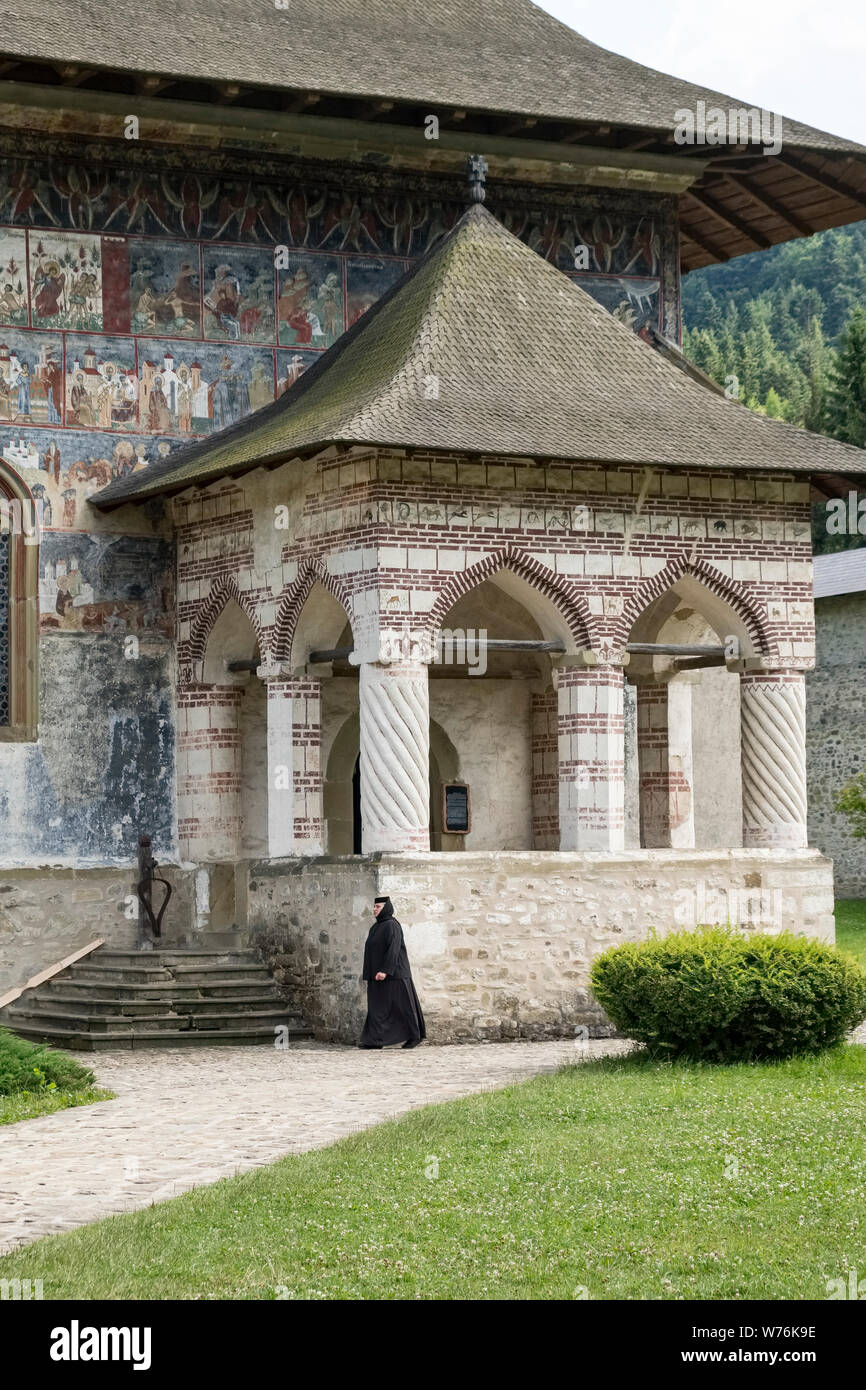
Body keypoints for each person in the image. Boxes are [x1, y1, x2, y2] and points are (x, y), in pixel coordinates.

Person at [359, 896, 426, 1050]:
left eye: (378, 907)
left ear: (386, 908)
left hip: (395, 975)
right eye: (374, 906)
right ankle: (375, 1040)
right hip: (377, 977)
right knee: (376, 1008)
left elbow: (393, 949)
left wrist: (385, 970)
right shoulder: (375, 927)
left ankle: (414, 1037)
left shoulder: (392, 925)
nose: (374, 909)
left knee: (403, 1008)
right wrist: (369, 974)